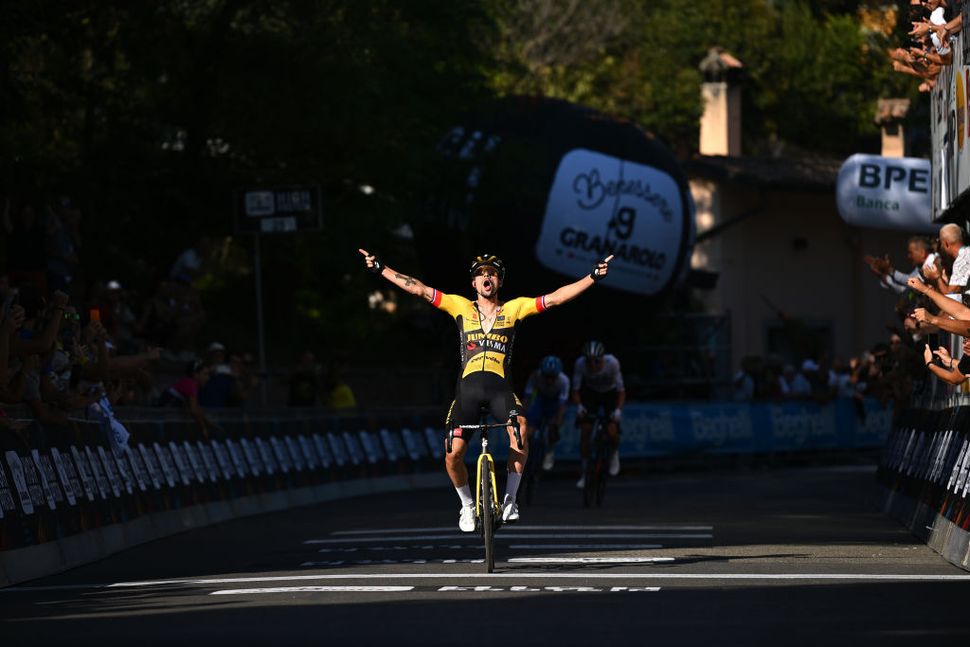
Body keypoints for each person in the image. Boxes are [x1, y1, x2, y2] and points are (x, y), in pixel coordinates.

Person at [359, 248, 613, 531]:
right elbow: (418, 289)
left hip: (500, 391)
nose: (486, 277)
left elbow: (555, 298)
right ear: (473, 284)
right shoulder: (460, 306)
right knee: (452, 454)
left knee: (521, 429)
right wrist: (381, 268)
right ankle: (467, 505)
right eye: (480, 274)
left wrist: (592, 277)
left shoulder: (513, 309)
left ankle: (510, 500)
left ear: (499, 281)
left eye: (491, 273)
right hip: (467, 392)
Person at [571, 339, 625, 488]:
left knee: (612, 430)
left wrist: (618, 410)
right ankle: (584, 472)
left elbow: (621, 392)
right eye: (589, 362)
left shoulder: (612, 363)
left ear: (602, 358)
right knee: (585, 432)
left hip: (610, 394)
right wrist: (579, 406)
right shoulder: (580, 364)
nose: (593, 365)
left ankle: (614, 453)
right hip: (591, 394)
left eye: (596, 361)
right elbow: (575, 390)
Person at [522, 355, 569, 470]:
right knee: (528, 431)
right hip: (540, 400)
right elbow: (527, 398)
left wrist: (556, 424)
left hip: (555, 403)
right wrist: (522, 415)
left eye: (552, 377)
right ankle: (525, 454)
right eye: (546, 376)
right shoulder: (535, 376)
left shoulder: (564, 380)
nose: (549, 380)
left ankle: (550, 451)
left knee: (553, 430)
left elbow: (562, 405)